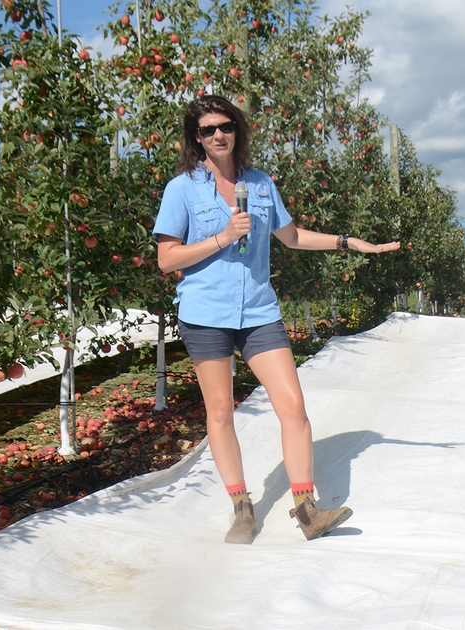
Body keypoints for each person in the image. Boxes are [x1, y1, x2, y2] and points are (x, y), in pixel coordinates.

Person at [153, 95, 400, 544]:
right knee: (221, 412)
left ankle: (307, 510)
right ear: (197, 138)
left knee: (293, 407)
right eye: (208, 130)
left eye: (226, 126)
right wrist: (222, 237)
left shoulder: (261, 184)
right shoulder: (182, 189)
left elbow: (292, 236)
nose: (218, 135)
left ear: (237, 130)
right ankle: (242, 509)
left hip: (258, 311)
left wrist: (348, 242)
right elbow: (167, 259)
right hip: (206, 314)